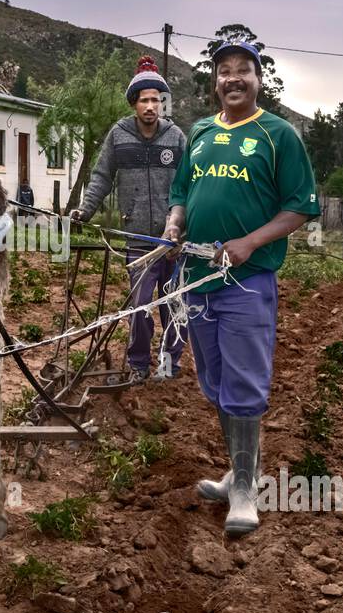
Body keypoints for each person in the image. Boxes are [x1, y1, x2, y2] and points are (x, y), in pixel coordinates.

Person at [164, 42, 319, 535]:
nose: (233, 79)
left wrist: (251, 242)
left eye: (243, 71)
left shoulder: (279, 135)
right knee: (214, 380)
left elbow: (300, 206)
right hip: (197, 277)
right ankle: (236, 471)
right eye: (224, 72)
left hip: (246, 282)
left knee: (245, 382)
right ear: (216, 82)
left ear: (258, 79)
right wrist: (174, 224)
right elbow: (182, 192)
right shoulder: (201, 132)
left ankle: (248, 489)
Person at [70, 56, 187, 382]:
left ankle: (169, 365)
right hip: (137, 239)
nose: (150, 106)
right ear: (134, 103)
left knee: (173, 307)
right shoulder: (118, 136)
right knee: (139, 307)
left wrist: (182, 228)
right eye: (144, 100)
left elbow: (190, 184)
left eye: (156, 100)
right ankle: (138, 365)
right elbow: (101, 177)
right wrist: (85, 210)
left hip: (173, 242)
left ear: (161, 103)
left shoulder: (176, 137)